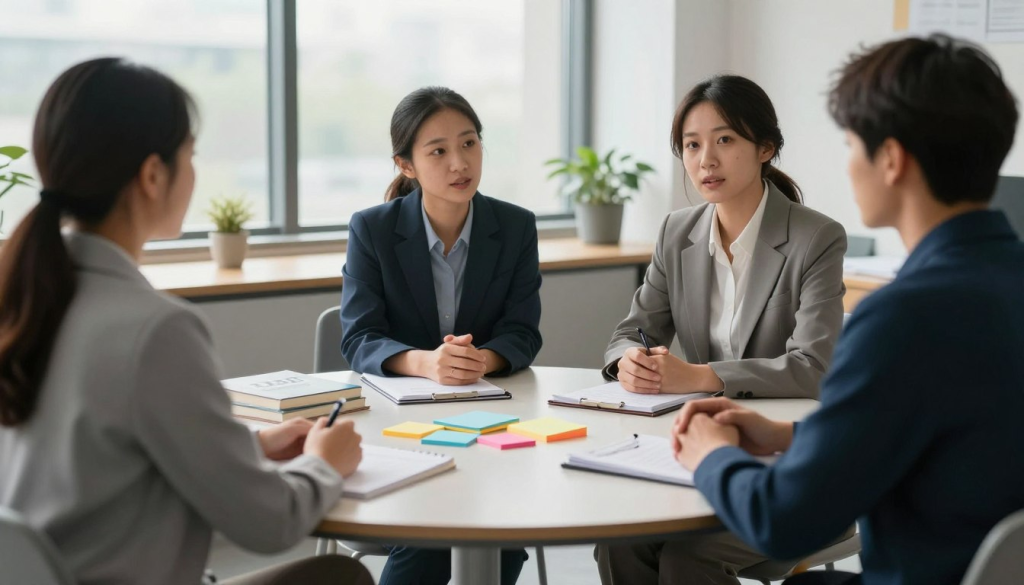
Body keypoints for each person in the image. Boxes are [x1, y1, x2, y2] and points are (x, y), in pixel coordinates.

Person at [0, 58, 371, 585]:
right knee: (339, 576)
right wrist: (323, 463)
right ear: (153, 174)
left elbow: (103, 460)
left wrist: (250, 448)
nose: (194, 171)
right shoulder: (156, 330)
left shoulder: (27, 296)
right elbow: (272, 524)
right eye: (190, 155)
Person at [673, 34, 1024, 585]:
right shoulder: (1002, 282)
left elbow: (783, 521)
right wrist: (789, 437)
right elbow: (956, 437)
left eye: (851, 144)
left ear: (891, 159)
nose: (848, 164)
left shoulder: (903, 318)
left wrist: (712, 453)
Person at [597, 75, 847, 585]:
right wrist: (628, 361)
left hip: (789, 460)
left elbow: (814, 368)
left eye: (725, 140)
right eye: (692, 145)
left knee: (689, 558)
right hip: (697, 447)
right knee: (621, 542)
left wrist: (700, 376)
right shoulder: (676, 232)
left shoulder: (815, 237)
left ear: (766, 148)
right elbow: (631, 331)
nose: (705, 159)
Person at [340, 86, 540, 584]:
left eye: (469, 144)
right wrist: (424, 362)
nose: (460, 163)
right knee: (428, 535)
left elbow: (522, 330)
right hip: (397, 434)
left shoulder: (514, 226)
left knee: (505, 538)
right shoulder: (373, 229)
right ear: (406, 165)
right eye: (439, 151)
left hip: (489, 427)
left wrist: (486, 360)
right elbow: (359, 336)